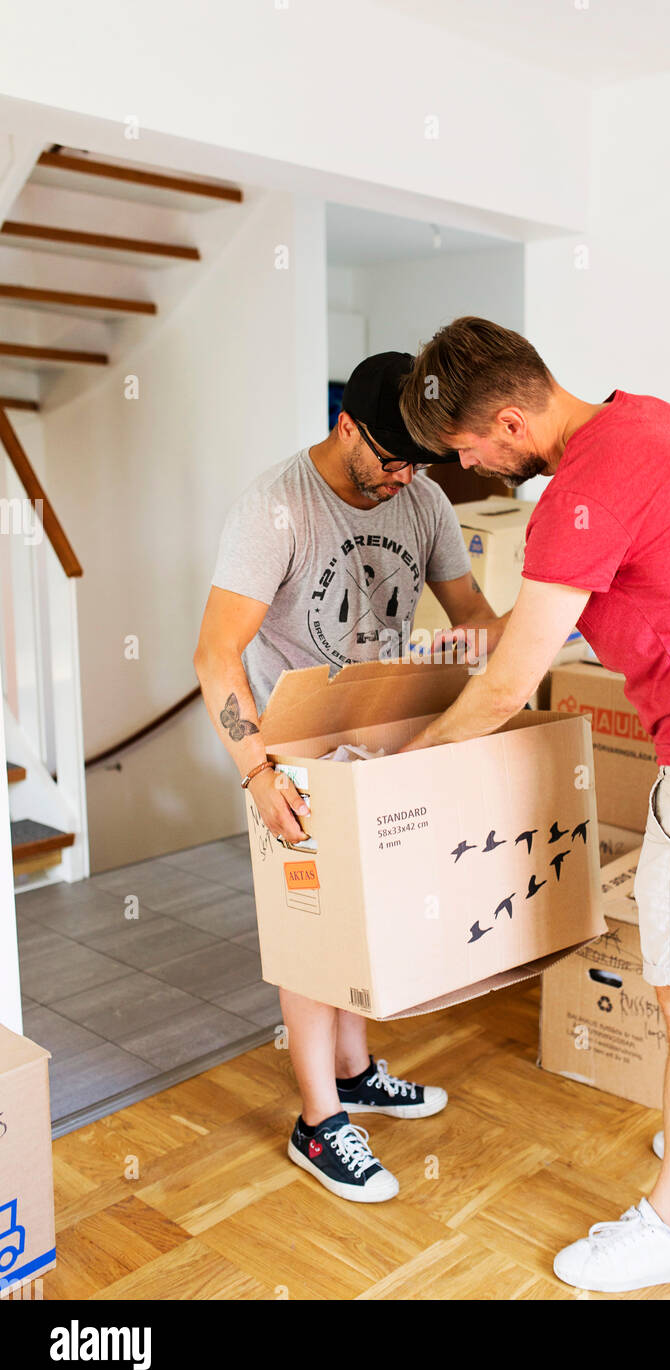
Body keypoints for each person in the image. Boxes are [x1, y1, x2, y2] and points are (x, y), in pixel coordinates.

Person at [398, 317, 670, 1291]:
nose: (464, 464)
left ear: (509, 421)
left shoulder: (580, 493)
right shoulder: (645, 425)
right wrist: (457, 652)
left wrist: (402, 764)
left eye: (464, 448)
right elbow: (537, 626)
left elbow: (508, 689)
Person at [194, 351, 499, 1203]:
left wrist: (468, 648)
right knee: (311, 931)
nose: (403, 480)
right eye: (391, 460)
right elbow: (215, 655)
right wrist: (256, 772)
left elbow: (471, 616)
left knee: (361, 921)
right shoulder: (275, 509)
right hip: (288, 753)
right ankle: (320, 1123)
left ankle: (356, 1070)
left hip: (376, 739)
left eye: (418, 464)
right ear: (346, 427)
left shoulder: (424, 499)